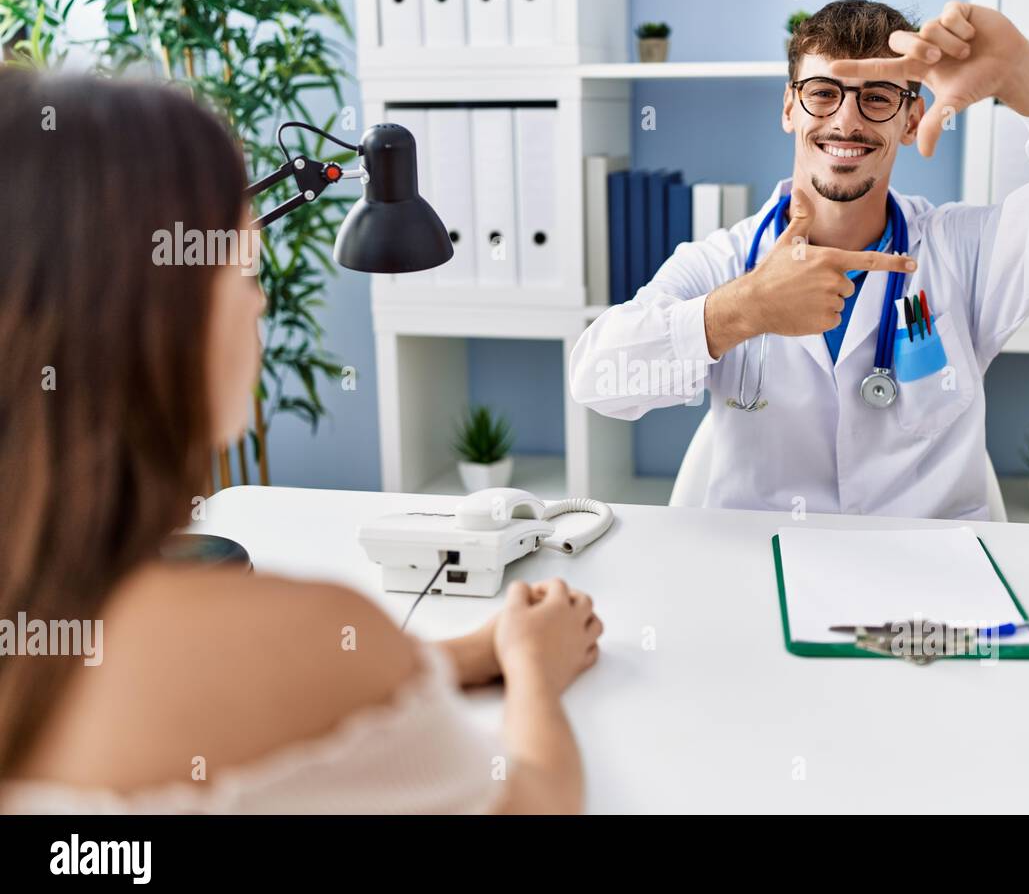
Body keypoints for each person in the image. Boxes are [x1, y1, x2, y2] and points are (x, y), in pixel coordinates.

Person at [0, 69, 601, 814]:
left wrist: (466, 655)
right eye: (239, 266)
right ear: (157, 319)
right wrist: (535, 672)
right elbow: (537, 801)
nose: (258, 298)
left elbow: (243, 700)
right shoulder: (322, 638)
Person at [569, 0, 1029, 519]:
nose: (845, 120)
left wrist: (1021, 70)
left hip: (929, 577)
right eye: (822, 93)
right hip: (759, 563)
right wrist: (743, 310)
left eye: (876, 98)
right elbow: (597, 380)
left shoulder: (964, 251)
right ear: (789, 109)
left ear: (911, 118)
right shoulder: (722, 261)